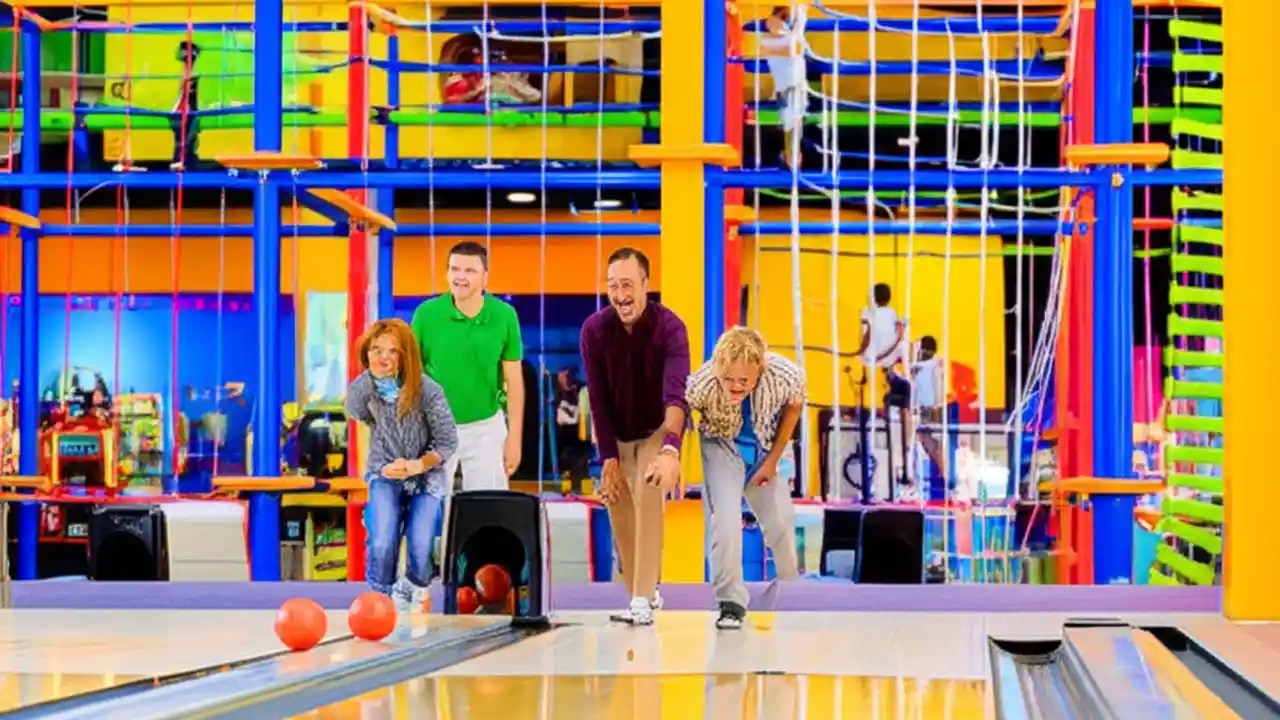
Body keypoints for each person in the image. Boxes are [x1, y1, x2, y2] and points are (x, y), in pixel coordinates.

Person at [580, 247, 690, 626]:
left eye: (628, 284)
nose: (621, 294)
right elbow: (597, 399)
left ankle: (641, 600)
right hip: (618, 433)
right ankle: (644, 590)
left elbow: (677, 396)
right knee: (618, 504)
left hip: (659, 429)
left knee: (646, 493)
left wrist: (672, 450)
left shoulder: (671, 328)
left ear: (646, 284)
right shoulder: (594, 330)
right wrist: (607, 458)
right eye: (613, 286)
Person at [686, 326, 805, 629]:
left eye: (744, 381)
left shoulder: (785, 376)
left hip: (763, 450)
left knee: (781, 522)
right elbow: (678, 414)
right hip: (721, 446)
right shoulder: (702, 385)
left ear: (760, 370)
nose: (736, 387)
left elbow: (794, 408)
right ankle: (731, 602)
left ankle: (792, 592)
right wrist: (670, 456)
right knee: (724, 521)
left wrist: (773, 460)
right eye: (728, 379)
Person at [344, 318, 458, 612]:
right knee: (382, 541)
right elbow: (357, 416)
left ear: (405, 356)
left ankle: (415, 585)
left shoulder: (429, 390)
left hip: (426, 475)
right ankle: (380, 599)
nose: (383, 357)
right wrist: (377, 467)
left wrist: (418, 465)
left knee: (420, 547)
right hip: (384, 472)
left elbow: (447, 442)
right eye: (376, 350)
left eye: (392, 351)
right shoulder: (364, 387)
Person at [411, 241, 525, 491]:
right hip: (435, 426)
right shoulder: (425, 315)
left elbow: (514, 381)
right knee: (430, 508)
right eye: (454, 269)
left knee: (489, 508)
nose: (460, 277)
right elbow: (411, 376)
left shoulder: (505, 315)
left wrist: (514, 438)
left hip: (486, 426)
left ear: (485, 277)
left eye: (469, 271)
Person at [761, 6, 807, 168]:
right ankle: (792, 154)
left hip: (793, 85)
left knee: (792, 121)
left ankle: (792, 154)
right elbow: (789, 49)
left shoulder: (785, 37)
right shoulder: (771, 39)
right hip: (787, 86)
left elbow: (794, 50)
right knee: (790, 121)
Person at [171, 40, 201, 170]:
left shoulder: (189, 72)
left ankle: (183, 161)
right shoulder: (187, 71)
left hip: (185, 109)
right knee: (185, 138)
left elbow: (188, 93)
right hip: (184, 109)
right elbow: (185, 93)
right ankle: (182, 161)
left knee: (186, 138)